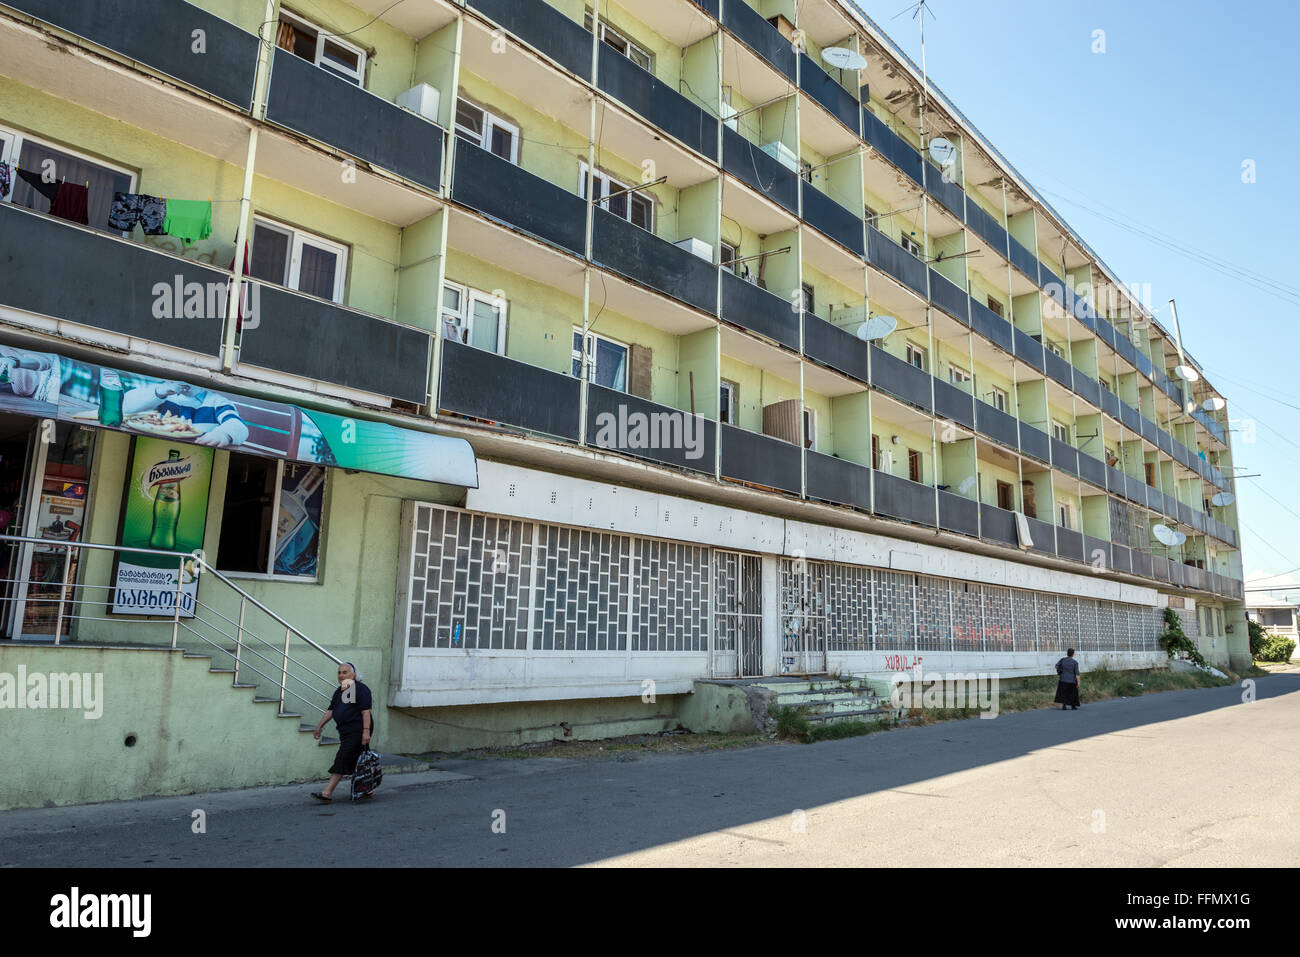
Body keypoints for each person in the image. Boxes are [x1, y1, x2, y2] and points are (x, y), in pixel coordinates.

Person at [310, 663, 373, 802]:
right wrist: (319, 726)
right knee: (358, 759)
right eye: (339, 672)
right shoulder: (341, 690)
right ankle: (366, 789)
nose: (341, 675)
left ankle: (327, 793)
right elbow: (331, 710)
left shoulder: (361, 689)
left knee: (343, 757)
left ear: (354, 674)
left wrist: (366, 732)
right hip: (345, 731)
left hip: (358, 729)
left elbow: (366, 712)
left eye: (345, 672)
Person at [121, 380, 250, 447]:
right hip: (154, 445)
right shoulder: (162, 395)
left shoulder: (217, 401)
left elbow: (238, 426)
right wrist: (158, 392)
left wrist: (224, 435)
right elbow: (125, 406)